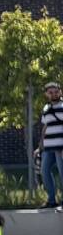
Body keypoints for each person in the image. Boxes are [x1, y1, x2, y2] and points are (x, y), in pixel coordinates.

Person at [41, 81, 63, 210]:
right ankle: (51, 200)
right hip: (48, 147)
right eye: (51, 92)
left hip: (61, 147)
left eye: (56, 91)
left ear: (60, 92)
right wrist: (40, 146)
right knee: (44, 171)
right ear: (46, 94)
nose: (54, 94)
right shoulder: (46, 108)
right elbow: (45, 127)